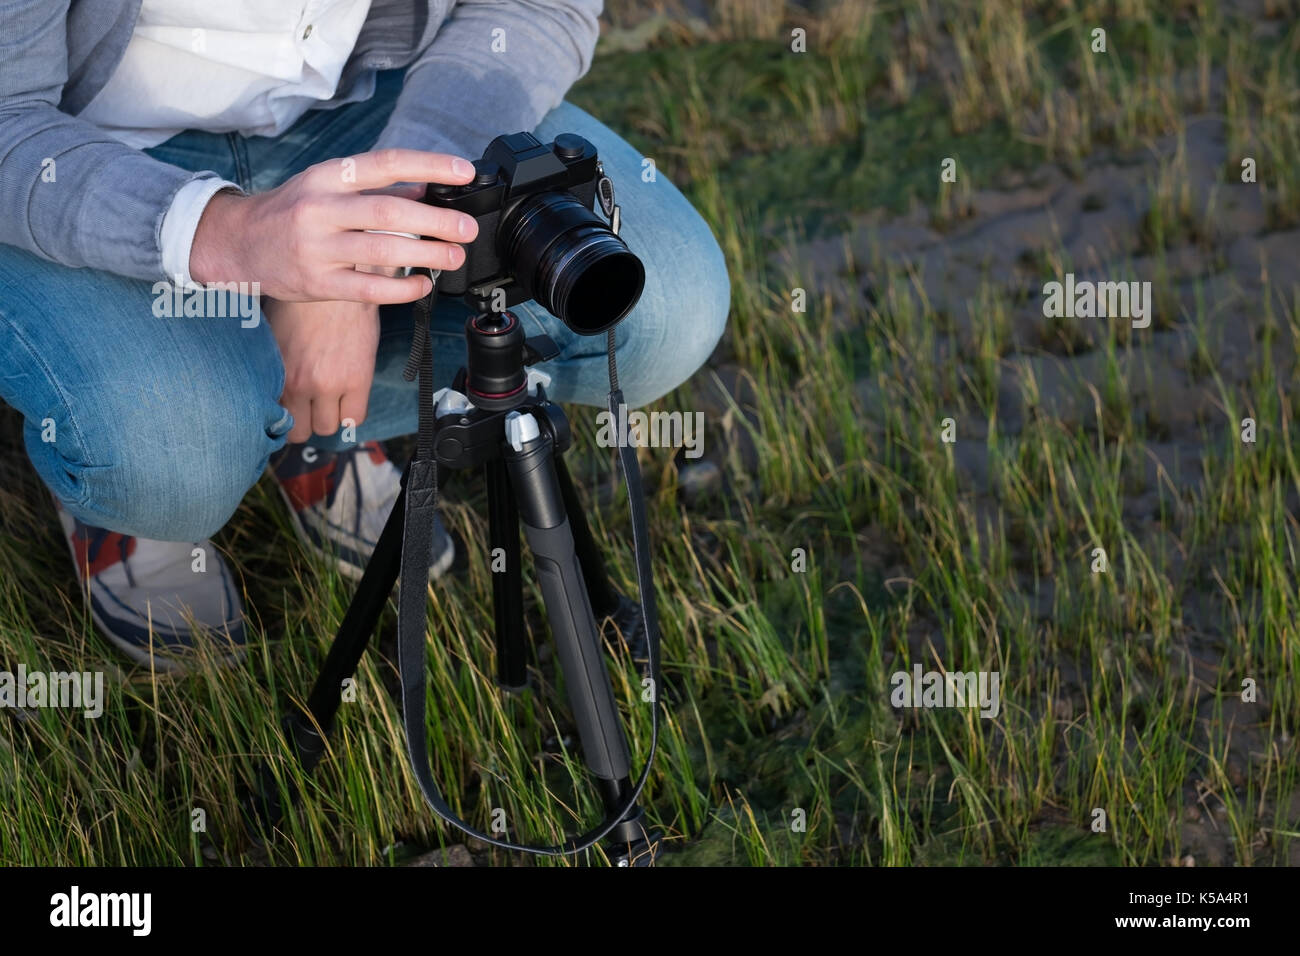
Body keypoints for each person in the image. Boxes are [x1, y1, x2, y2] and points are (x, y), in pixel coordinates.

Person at [0, 0, 729, 672]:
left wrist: (372, 232)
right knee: (167, 458)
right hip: (80, 144)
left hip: (367, 108)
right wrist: (234, 235)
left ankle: (299, 409)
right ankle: (140, 469)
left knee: (668, 309)